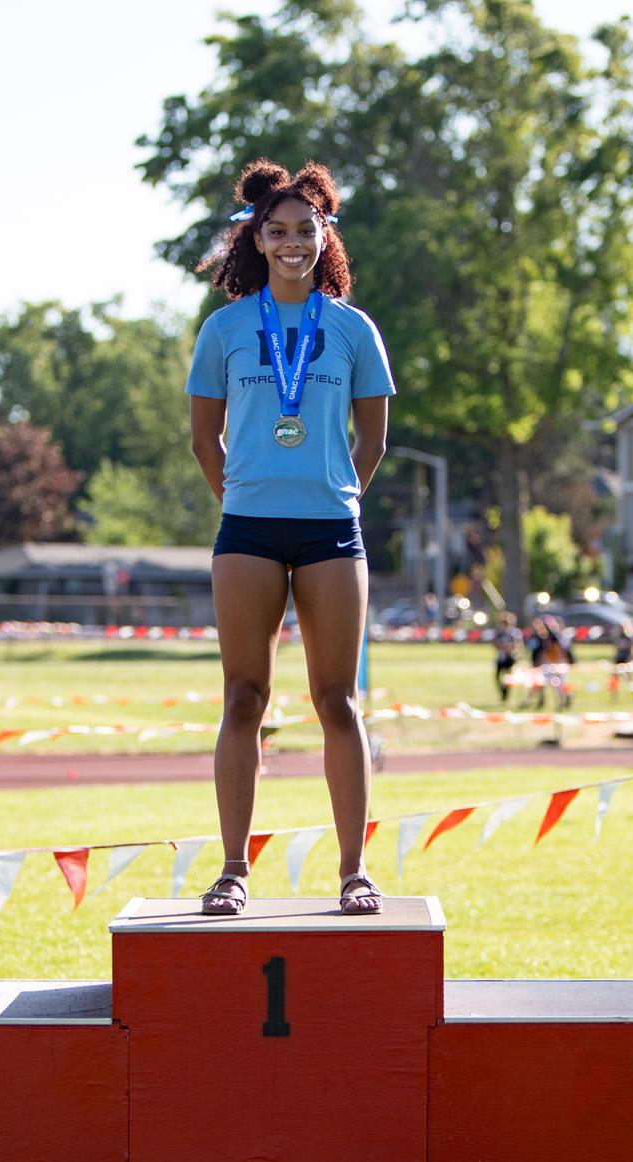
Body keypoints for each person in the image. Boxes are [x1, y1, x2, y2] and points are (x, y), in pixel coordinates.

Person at [186, 160, 394, 916]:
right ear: (258, 238)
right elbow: (204, 440)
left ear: (323, 233)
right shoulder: (227, 328)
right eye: (277, 231)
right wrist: (241, 500)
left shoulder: (350, 328)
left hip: (332, 531)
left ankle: (353, 870)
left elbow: (371, 439)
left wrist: (334, 496)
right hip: (246, 529)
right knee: (244, 697)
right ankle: (234, 869)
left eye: (305, 229)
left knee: (336, 700)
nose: (292, 242)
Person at [492, 612, 522, 704]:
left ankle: (506, 695)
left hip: (510, 658)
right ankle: (503, 692)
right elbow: (494, 643)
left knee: (508, 677)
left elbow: (517, 644)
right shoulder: (499, 632)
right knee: (497, 677)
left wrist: (509, 648)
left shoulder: (514, 633)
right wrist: (501, 647)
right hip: (501, 657)